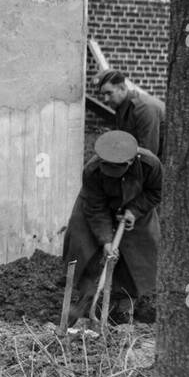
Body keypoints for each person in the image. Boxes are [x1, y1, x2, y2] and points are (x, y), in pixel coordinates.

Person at [63, 129, 161, 326]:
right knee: (87, 250)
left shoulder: (150, 165)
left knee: (137, 257)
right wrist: (106, 240)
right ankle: (88, 301)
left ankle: (124, 306)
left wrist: (134, 210)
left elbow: (156, 192)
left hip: (135, 209)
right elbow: (95, 208)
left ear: (131, 162)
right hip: (96, 209)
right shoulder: (92, 170)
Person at [95, 69, 166, 160]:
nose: (105, 99)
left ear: (123, 88)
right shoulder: (122, 105)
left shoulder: (144, 109)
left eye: (109, 93)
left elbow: (149, 155)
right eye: (103, 94)